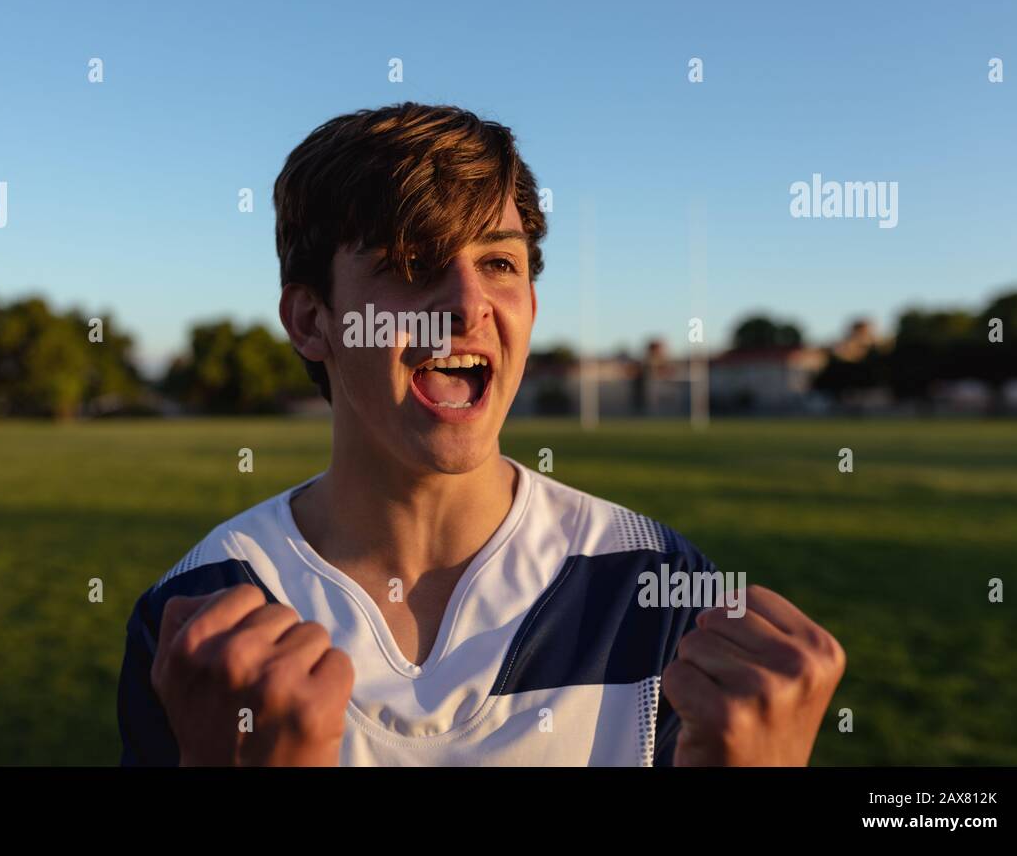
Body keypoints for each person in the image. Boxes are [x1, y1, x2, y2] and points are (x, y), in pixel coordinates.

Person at [117, 102, 846, 766]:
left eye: (498, 262)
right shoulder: (206, 609)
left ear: (530, 301)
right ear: (312, 321)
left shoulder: (654, 586)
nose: (469, 304)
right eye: (411, 264)